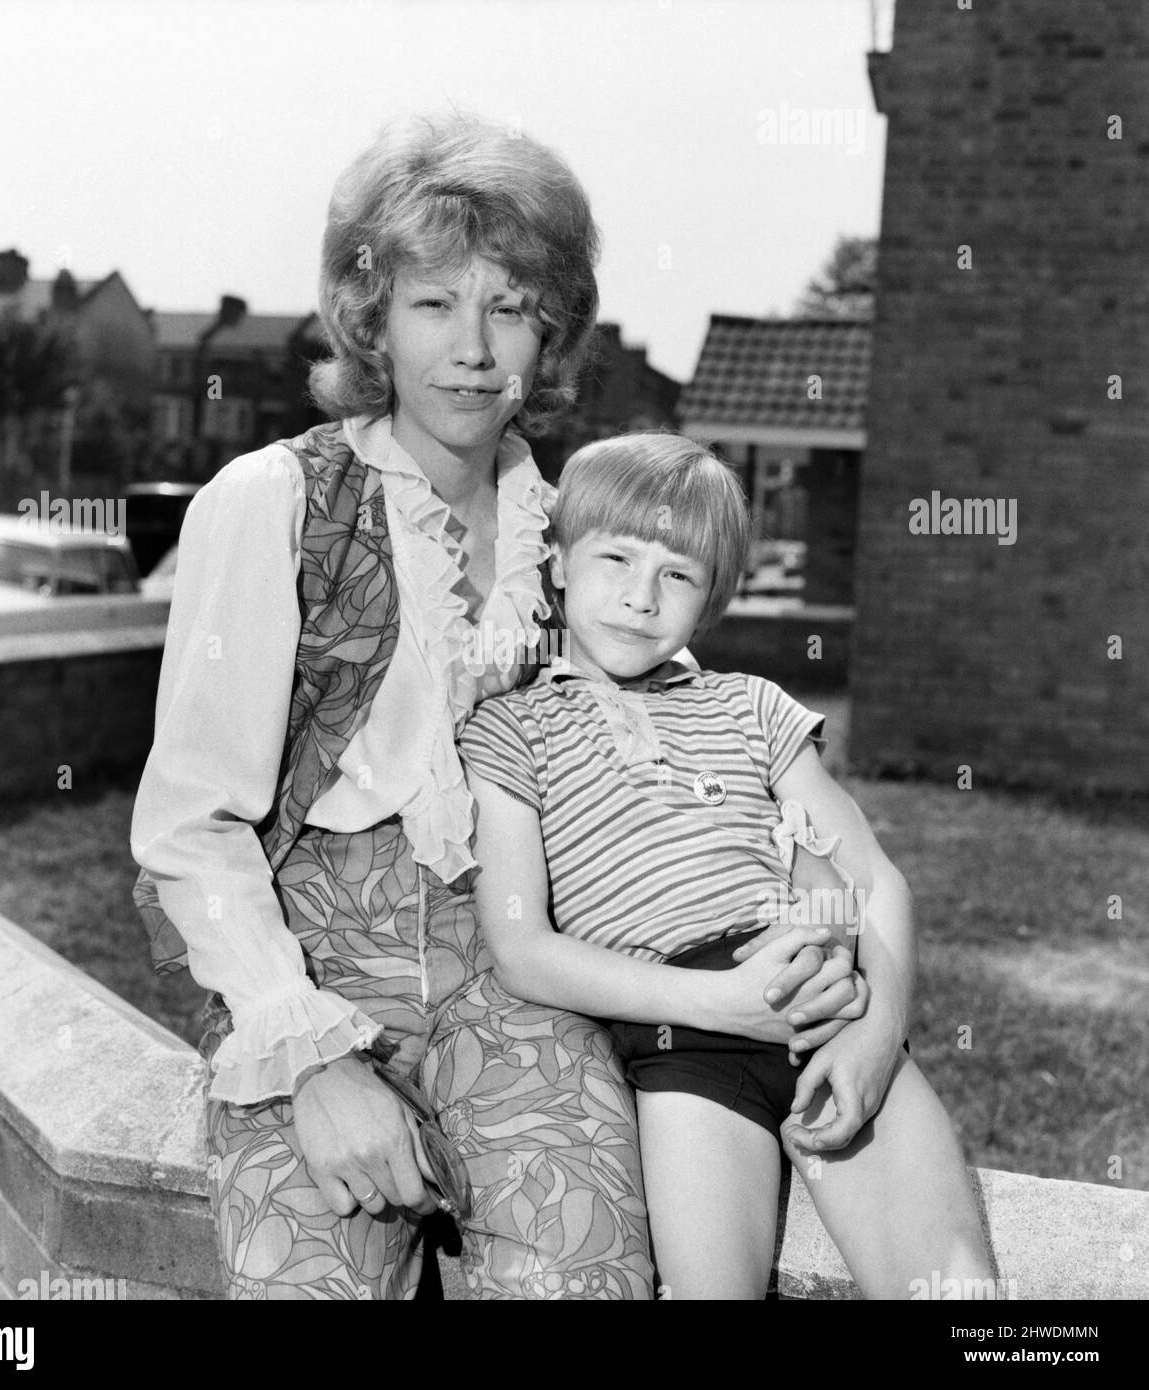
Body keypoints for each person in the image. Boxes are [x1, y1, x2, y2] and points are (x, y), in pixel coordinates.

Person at [131, 116, 864, 1301]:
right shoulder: (268, 500)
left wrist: (802, 919)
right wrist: (309, 1061)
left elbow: (683, 753)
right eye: (433, 306)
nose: (474, 352)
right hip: (313, 962)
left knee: (587, 1276)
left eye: (510, 307)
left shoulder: (575, 534)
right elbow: (189, 825)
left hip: (521, 965)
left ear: (553, 329)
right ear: (371, 320)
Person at [459, 432, 996, 1299]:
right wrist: (722, 1005)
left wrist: (876, 1033)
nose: (640, 598)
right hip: (682, 1044)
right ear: (555, 564)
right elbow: (522, 949)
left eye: (678, 574)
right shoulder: (510, 733)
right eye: (615, 559)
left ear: (712, 596)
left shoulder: (750, 708)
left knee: (959, 1295)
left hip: (825, 1011)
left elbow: (873, 879)